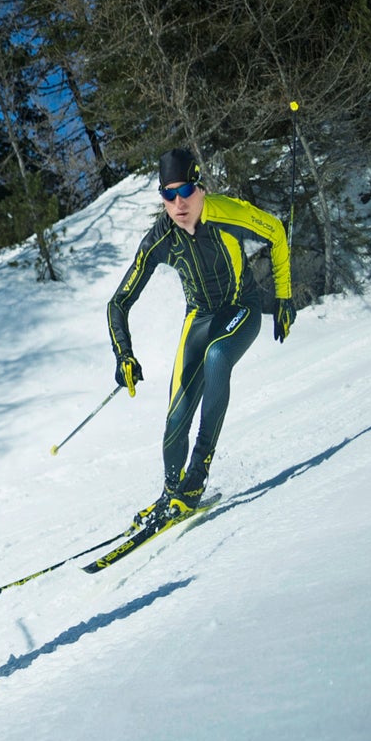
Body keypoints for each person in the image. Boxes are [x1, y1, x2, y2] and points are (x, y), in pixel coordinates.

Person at [105, 146, 295, 529]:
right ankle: (171, 493)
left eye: (185, 190)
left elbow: (275, 231)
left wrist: (284, 297)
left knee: (217, 358)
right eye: (168, 194)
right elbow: (118, 302)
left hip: (242, 308)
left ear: (201, 188)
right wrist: (123, 355)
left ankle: (197, 474)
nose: (178, 203)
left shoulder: (226, 213)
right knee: (175, 416)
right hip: (200, 319)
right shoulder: (161, 238)